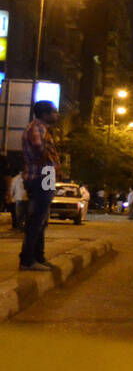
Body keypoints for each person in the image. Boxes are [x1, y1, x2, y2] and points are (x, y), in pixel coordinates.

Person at [18, 100, 60, 271]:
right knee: (37, 219)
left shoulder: (44, 129)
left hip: (47, 175)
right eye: (54, 112)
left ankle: (39, 257)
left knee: (42, 219)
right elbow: (39, 149)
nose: (57, 115)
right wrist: (53, 162)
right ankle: (27, 260)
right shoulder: (37, 127)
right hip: (41, 176)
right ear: (45, 114)